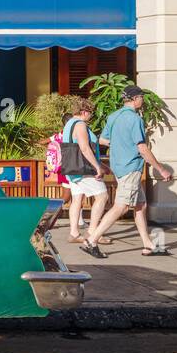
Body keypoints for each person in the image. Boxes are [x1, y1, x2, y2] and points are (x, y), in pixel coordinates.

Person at [83, 84, 173, 258]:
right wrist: (160, 169)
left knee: (141, 205)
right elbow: (142, 147)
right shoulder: (135, 119)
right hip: (130, 167)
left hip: (119, 166)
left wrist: (120, 143)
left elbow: (102, 139)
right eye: (141, 97)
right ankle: (92, 240)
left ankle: (148, 245)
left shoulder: (114, 116)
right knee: (122, 206)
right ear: (134, 99)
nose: (143, 100)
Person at [60, 100, 111, 246]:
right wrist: (98, 167)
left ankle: (74, 233)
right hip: (84, 169)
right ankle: (93, 233)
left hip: (72, 168)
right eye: (91, 113)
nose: (91, 116)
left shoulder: (69, 124)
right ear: (84, 112)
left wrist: (100, 165)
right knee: (102, 196)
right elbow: (84, 148)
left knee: (77, 199)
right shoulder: (80, 124)